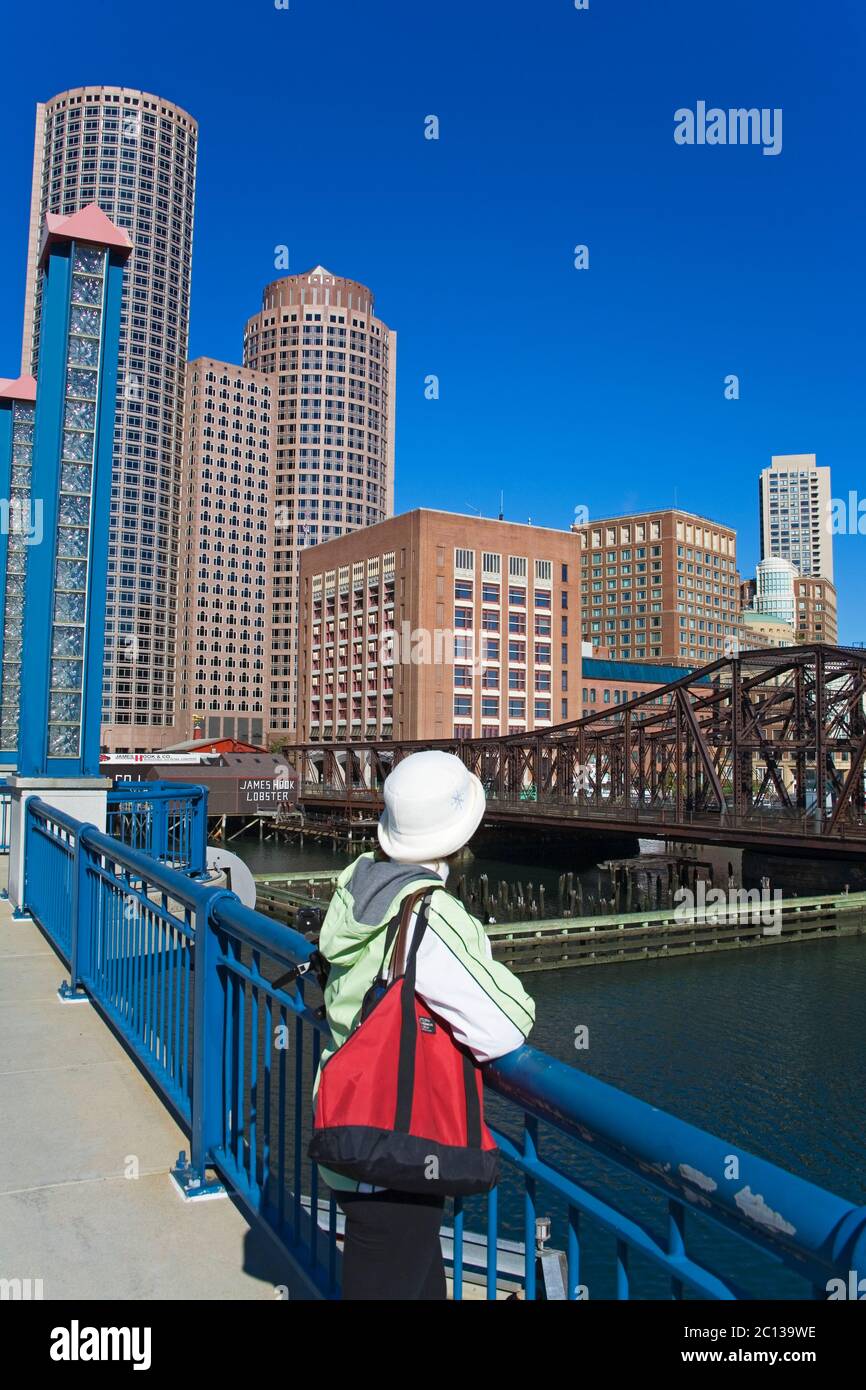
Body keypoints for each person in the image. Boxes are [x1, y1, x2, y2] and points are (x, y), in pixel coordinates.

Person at [313, 749, 535, 1301]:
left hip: (351, 1123)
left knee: (418, 1281)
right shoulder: (430, 914)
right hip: (393, 1147)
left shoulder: (358, 885)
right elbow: (508, 1024)